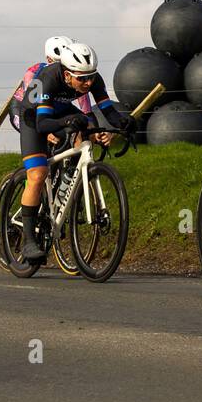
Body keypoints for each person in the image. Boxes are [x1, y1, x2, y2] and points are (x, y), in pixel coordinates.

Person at [11, 41, 133, 261]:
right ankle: (28, 241)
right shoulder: (49, 78)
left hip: (60, 110)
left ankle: (70, 180)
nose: (88, 83)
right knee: (38, 174)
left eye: (91, 77)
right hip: (34, 116)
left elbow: (107, 110)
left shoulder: (91, 77)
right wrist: (68, 121)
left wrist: (123, 123)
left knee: (87, 127)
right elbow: (43, 123)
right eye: (81, 78)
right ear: (67, 75)